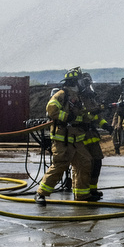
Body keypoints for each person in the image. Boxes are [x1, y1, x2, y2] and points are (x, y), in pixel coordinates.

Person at [35, 68, 93, 205]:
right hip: (63, 140)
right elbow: (51, 109)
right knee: (59, 166)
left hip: (76, 140)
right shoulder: (62, 94)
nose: (82, 83)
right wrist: (67, 117)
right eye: (80, 80)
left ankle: (82, 195)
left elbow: (82, 114)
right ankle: (40, 193)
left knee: (85, 163)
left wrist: (86, 120)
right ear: (75, 81)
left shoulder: (77, 97)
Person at [78, 72, 109, 200]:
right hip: (81, 136)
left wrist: (107, 126)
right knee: (85, 165)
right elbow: (83, 116)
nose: (89, 86)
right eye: (87, 84)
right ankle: (82, 192)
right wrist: (95, 111)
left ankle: (92, 189)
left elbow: (97, 118)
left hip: (92, 136)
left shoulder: (90, 98)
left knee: (97, 162)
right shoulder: (77, 99)